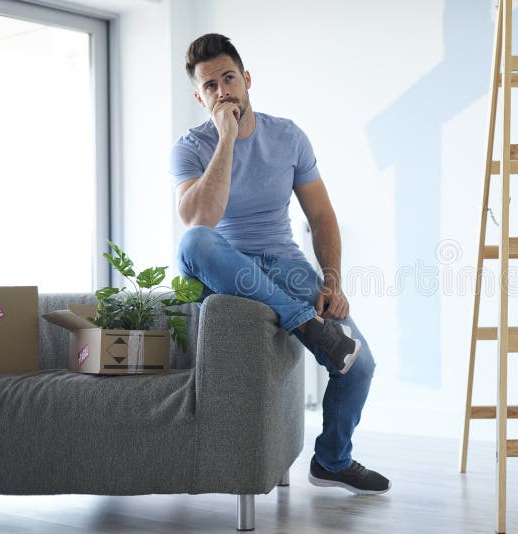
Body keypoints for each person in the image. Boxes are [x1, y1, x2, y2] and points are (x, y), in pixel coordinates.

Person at [170, 33, 390, 495]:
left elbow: (321, 215)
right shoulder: (191, 147)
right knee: (193, 241)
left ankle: (332, 460)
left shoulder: (288, 136)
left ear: (247, 79)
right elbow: (199, 221)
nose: (223, 91)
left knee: (361, 363)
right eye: (210, 86)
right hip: (227, 269)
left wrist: (331, 280)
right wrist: (226, 139)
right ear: (199, 96)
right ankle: (306, 325)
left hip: (283, 266)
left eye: (229, 78)